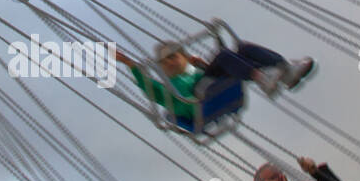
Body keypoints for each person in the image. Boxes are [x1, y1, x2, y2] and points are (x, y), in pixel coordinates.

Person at [117, 40, 314, 129]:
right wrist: (129, 63)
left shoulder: (194, 72)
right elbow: (148, 87)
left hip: (211, 87)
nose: (169, 62)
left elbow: (217, 72)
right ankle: (262, 78)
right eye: (164, 62)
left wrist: (202, 65)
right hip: (198, 102)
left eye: (173, 57)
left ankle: (286, 72)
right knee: (223, 56)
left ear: (184, 57)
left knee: (242, 48)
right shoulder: (168, 89)